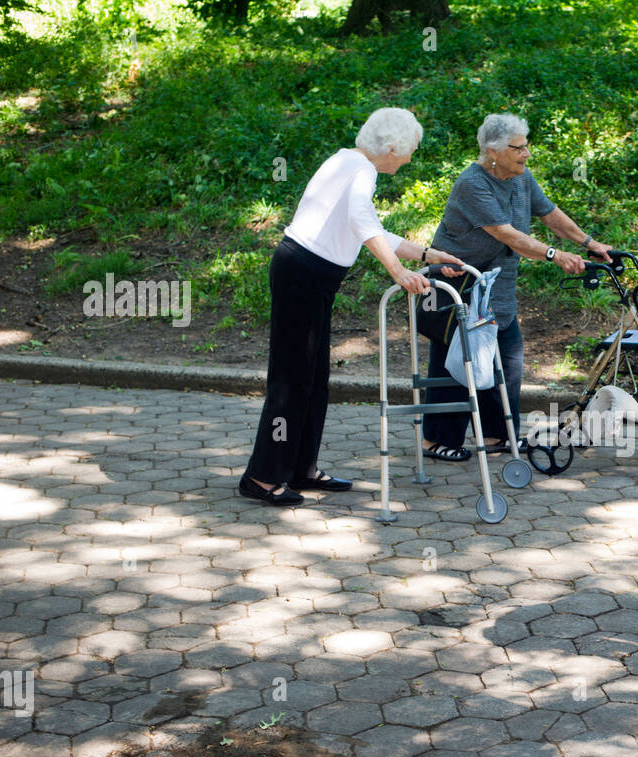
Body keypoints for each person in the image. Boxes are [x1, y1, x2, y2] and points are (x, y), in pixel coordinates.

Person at [240, 107, 463, 505]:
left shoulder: (348, 161)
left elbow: (370, 227)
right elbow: (363, 222)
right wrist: (399, 273)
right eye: (411, 149)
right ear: (392, 147)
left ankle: (301, 469)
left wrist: (428, 254)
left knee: (314, 378)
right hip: (302, 274)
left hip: (309, 275)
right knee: (291, 380)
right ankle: (262, 477)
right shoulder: (361, 170)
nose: (411, 158)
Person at [419, 112, 614, 462]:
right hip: (457, 283)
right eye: (518, 148)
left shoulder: (522, 179)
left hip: (496, 286)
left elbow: (549, 213)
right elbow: (505, 234)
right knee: (455, 364)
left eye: (527, 146)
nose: (526, 154)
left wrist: (589, 242)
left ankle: (497, 435)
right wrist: (554, 254)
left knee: (506, 362)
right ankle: (435, 441)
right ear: (493, 151)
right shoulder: (472, 183)